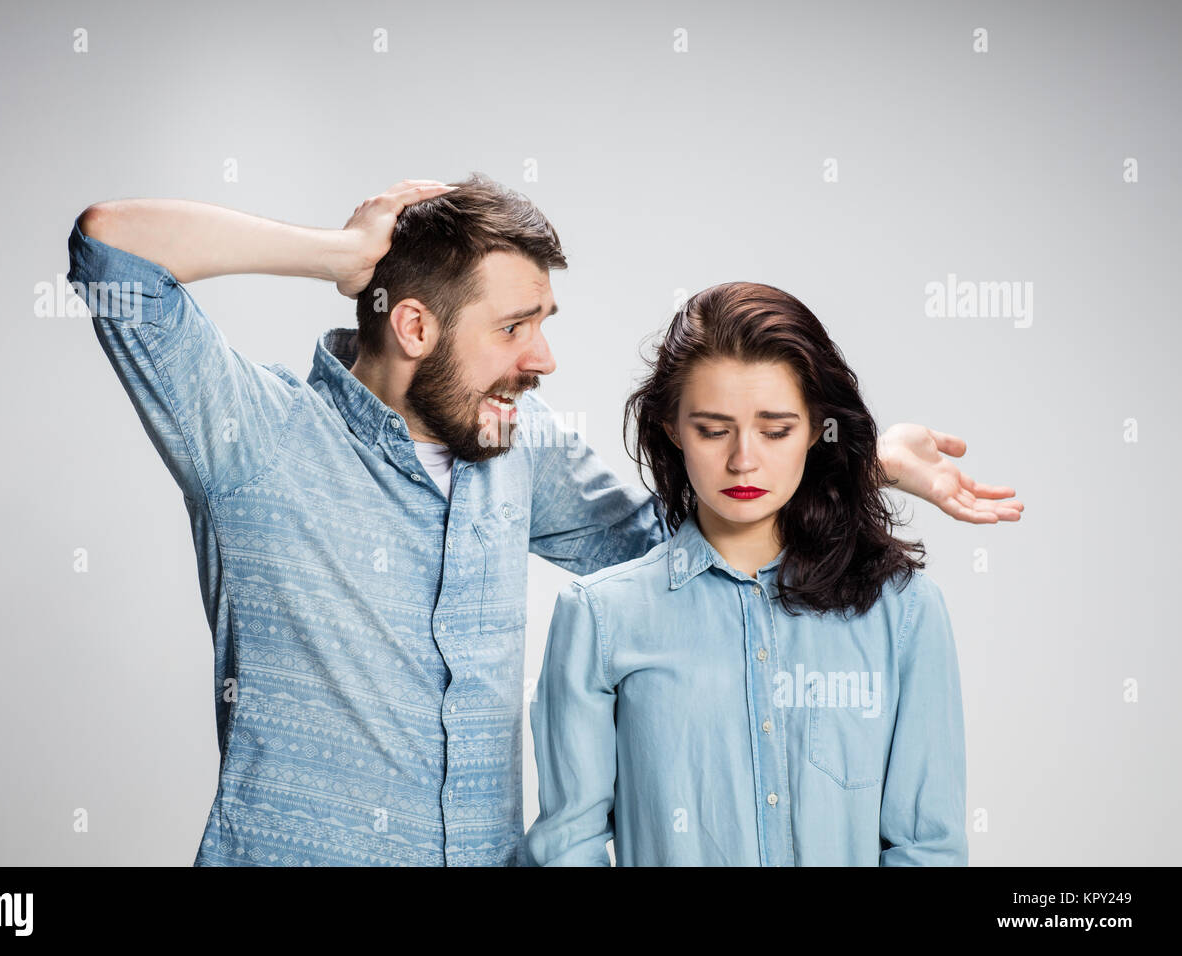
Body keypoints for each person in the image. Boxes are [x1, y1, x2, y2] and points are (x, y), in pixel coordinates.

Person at [66, 178, 1019, 866]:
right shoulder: (254, 436)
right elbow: (113, 249)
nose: (546, 358)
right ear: (413, 328)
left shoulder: (515, 453)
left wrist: (853, 456)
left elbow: (689, 547)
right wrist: (339, 257)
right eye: (516, 326)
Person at [524, 281, 973, 866]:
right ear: (671, 428)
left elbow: (928, 849)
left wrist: (863, 467)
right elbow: (567, 851)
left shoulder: (904, 610)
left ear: (816, 429)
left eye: (776, 430)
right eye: (713, 430)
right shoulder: (600, 617)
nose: (742, 459)